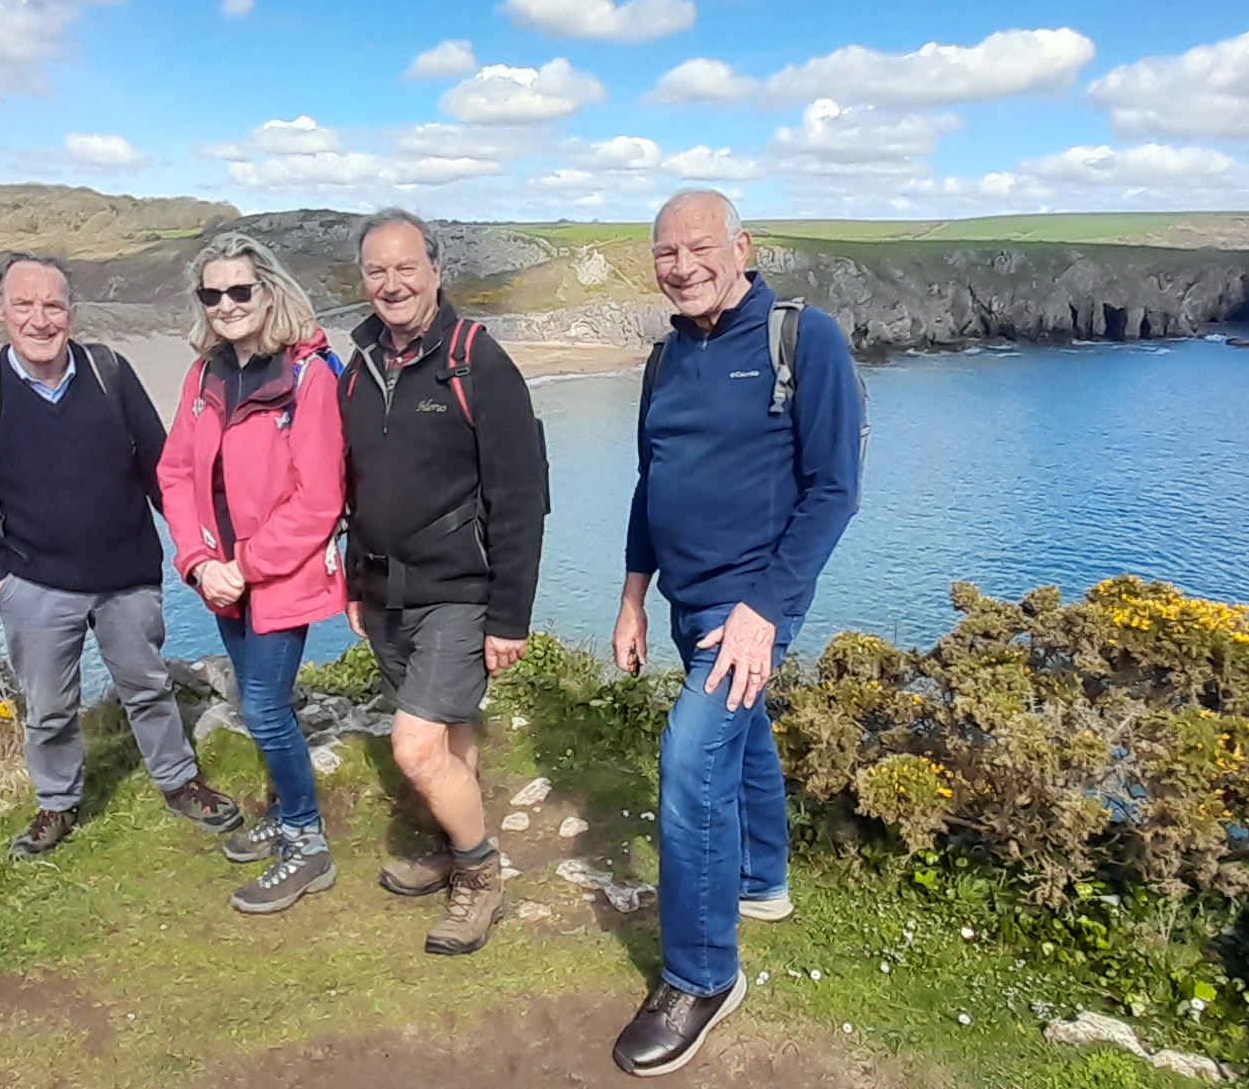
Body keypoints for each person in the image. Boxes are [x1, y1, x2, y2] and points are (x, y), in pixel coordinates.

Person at [609, 190, 865, 1076]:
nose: (680, 265)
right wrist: (633, 595)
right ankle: (762, 882)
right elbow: (654, 482)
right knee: (742, 740)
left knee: (690, 761)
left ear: (742, 246)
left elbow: (835, 488)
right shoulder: (664, 357)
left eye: (698, 247)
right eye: (664, 253)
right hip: (682, 599)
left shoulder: (805, 339)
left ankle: (703, 976)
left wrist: (764, 609)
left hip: (750, 605)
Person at [0, 252, 244, 860]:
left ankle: (179, 782)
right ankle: (57, 803)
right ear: (0, 310)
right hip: (34, 584)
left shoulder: (108, 371)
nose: (40, 319)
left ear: (72, 313)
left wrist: (197, 550)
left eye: (53, 305)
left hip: (127, 575)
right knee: (49, 709)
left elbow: (162, 470)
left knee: (150, 687)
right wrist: (1, 582)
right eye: (24, 304)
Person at [337, 208, 549, 956]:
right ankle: (458, 840)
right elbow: (354, 482)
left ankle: (480, 876)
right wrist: (351, 575)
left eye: (405, 268)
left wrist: (510, 617)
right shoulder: (357, 367)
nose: (391, 284)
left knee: (416, 747)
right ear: (362, 280)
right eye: (376, 270)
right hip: (384, 591)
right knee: (451, 736)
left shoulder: (478, 364)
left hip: (461, 591)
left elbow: (522, 496)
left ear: (434, 272)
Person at [156, 233, 348, 914]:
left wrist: (245, 566)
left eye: (241, 290)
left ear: (269, 291)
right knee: (256, 704)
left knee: (265, 706)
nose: (227, 305)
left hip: (277, 576)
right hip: (220, 577)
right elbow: (176, 471)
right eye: (212, 294)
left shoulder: (308, 377)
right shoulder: (204, 375)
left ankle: (307, 841)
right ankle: (292, 815)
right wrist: (199, 561)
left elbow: (320, 497)